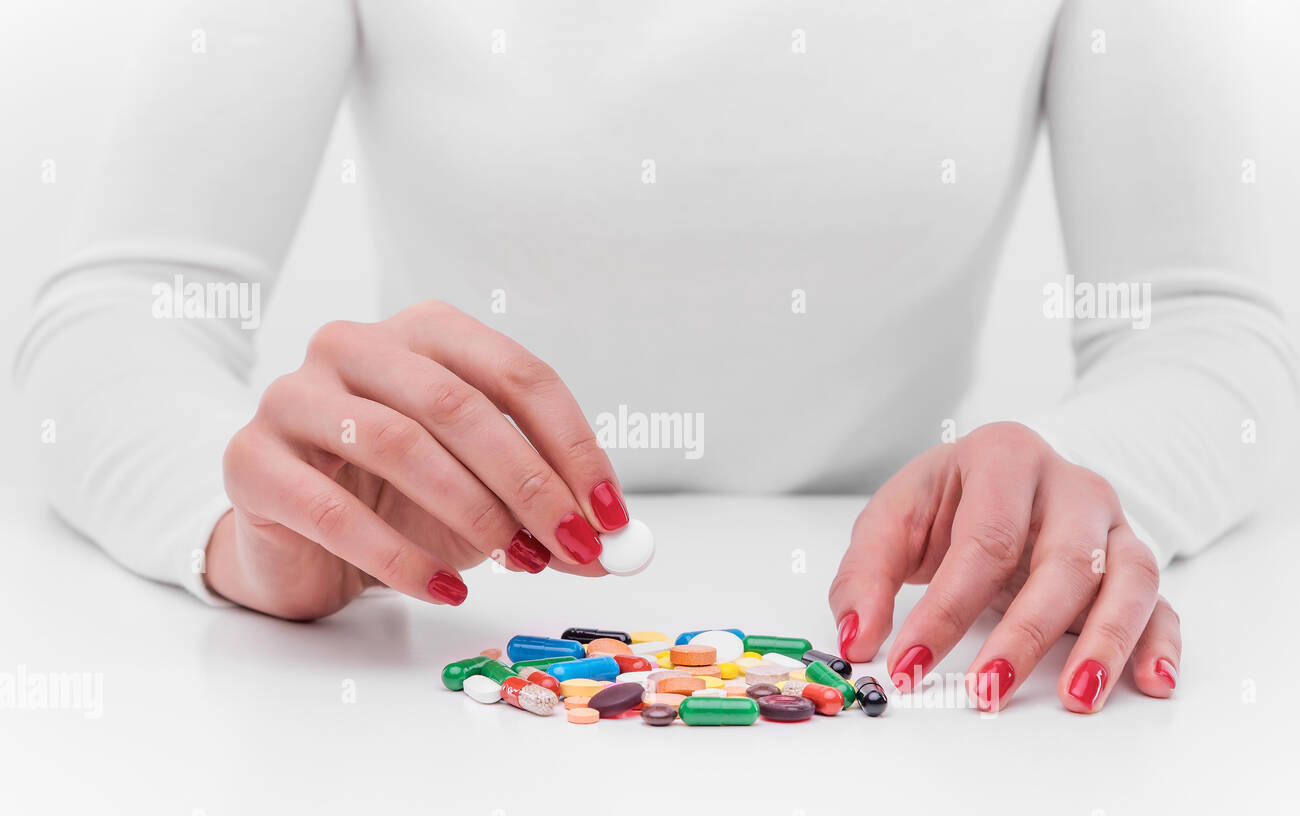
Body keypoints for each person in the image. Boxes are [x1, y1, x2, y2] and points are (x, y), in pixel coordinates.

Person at [15, 1, 1297, 715]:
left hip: (888, 666)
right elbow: (120, 307)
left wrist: (1083, 479)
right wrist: (242, 537)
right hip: (437, 676)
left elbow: (1200, 319)